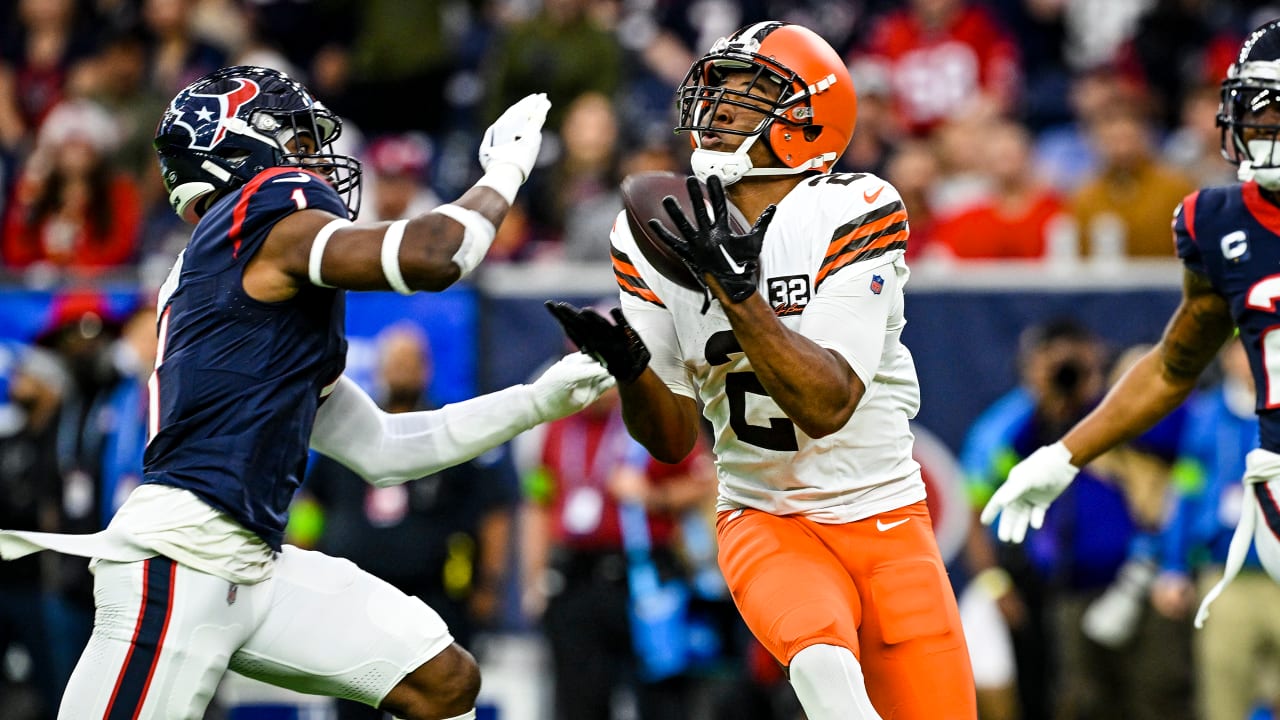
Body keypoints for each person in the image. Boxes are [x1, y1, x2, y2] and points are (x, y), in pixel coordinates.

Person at [0, 65, 615, 720]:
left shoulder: (255, 299)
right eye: (293, 143)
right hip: (177, 563)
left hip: (249, 565)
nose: (315, 161)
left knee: (443, 680)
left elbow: (385, 450)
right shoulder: (257, 211)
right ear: (235, 153)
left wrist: (538, 400)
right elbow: (437, 254)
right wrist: (503, 177)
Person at [546, 22, 976, 720]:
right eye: (713, 92)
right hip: (767, 515)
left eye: (747, 95)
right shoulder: (658, 228)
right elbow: (673, 437)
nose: (715, 111)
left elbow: (826, 402)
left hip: (885, 516)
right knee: (826, 673)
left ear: (809, 119)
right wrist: (632, 369)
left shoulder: (854, 207)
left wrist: (735, 290)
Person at [980, 18, 1280, 633]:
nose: (1258, 127)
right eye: (1252, 110)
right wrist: (1066, 453)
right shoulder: (1219, 221)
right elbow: (1174, 365)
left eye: (1275, 112)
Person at [299, 324, 520, 720]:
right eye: (393, 362)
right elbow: (312, 501)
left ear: (426, 369)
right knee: (352, 704)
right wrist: (300, 558)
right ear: (379, 369)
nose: (401, 371)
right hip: (355, 599)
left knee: (435, 697)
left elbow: (494, 509)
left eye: (409, 362)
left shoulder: (449, 430)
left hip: (435, 596)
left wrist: (490, 581)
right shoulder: (348, 429)